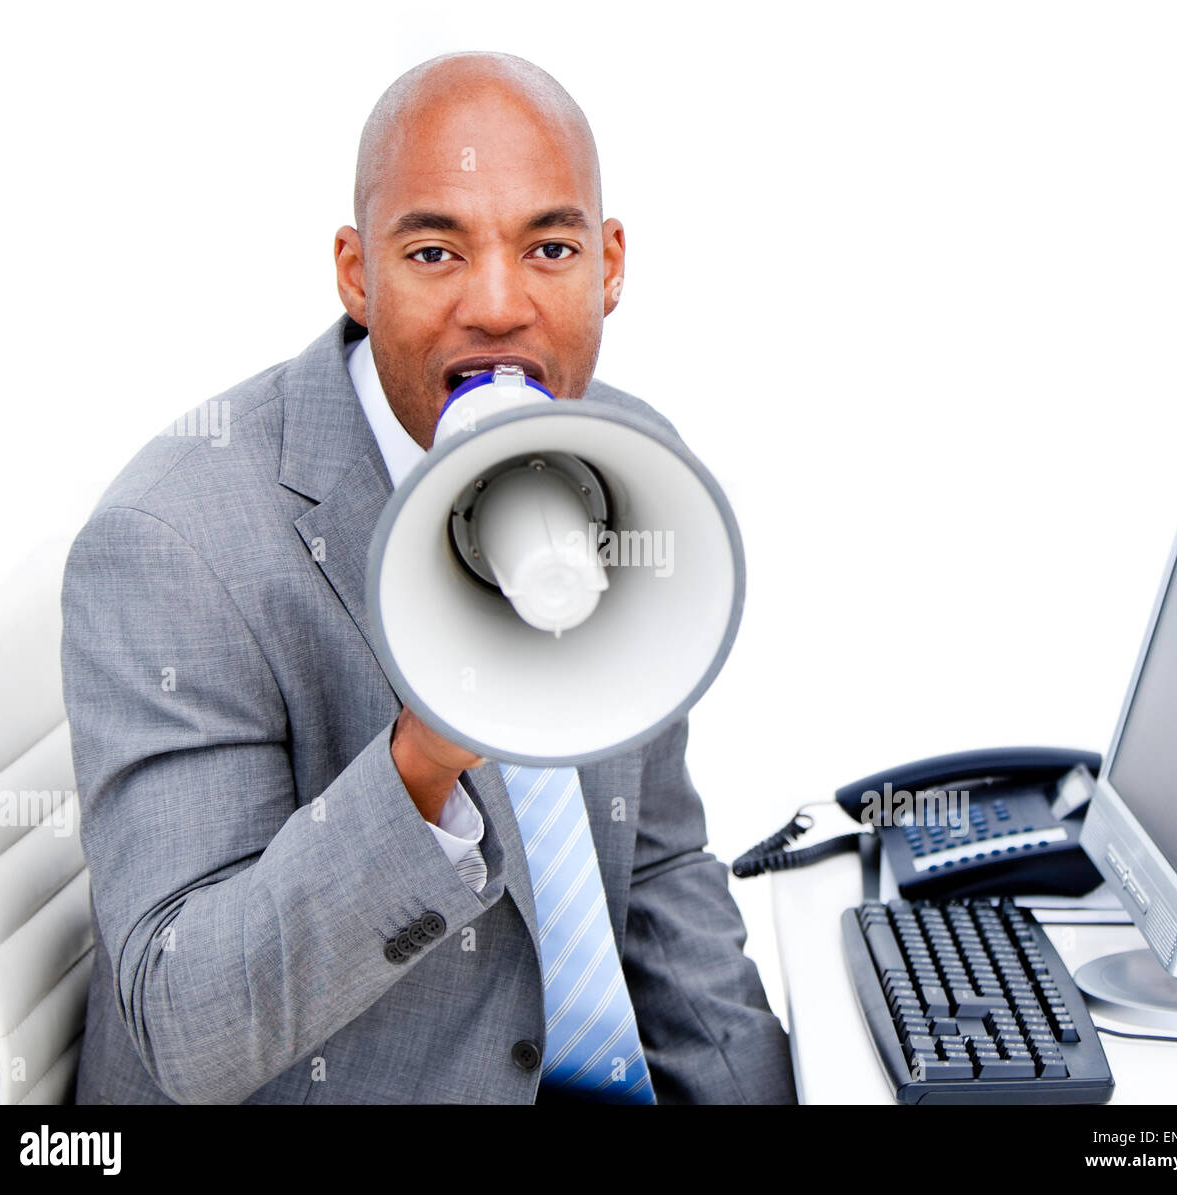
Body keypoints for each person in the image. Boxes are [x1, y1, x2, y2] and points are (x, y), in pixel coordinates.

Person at [61, 50, 796, 1105]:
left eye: (549, 246)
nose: (497, 305)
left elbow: (661, 870)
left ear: (611, 264)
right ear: (357, 274)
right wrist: (420, 761)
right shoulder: (177, 541)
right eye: (435, 251)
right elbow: (189, 1030)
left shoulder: (630, 466)